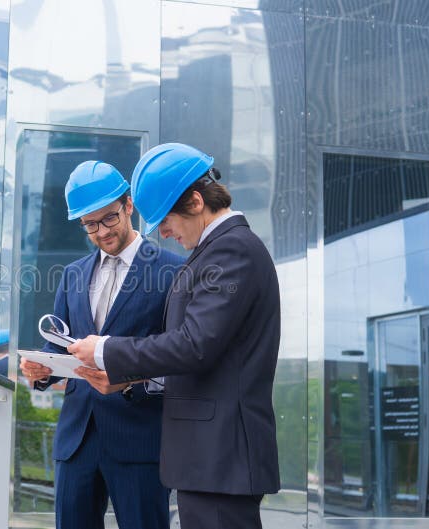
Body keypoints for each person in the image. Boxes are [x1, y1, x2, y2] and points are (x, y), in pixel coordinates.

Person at [70, 143, 281, 529]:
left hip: (220, 456)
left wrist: (106, 350)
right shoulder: (217, 251)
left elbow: (194, 345)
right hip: (210, 459)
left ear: (196, 202)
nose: (164, 233)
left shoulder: (231, 250)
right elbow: (210, 355)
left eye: (165, 220)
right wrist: (132, 380)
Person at [20, 160, 183, 529]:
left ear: (129, 205)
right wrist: (41, 369)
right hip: (77, 440)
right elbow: (59, 345)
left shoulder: (172, 271)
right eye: (90, 224)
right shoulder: (73, 274)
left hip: (139, 437)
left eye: (109, 218)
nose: (102, 231)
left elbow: (178, 354)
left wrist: (130, 379)